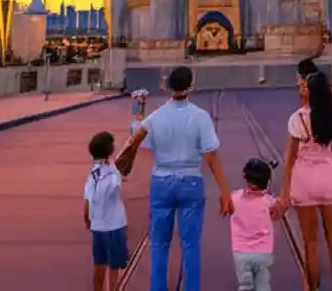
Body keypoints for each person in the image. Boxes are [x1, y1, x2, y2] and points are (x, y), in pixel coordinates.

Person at [115, 66, 233, 291]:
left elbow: (136, 138)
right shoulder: (200, 117)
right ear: (191, 85)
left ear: (168, 86)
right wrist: (224, 191)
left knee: (159, 243)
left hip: (162, 181)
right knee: (190, 245)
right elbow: (211, 155)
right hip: (190, 181)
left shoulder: (156, 117)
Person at [278, 67, 332, 291]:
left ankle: (312, 288)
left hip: (304, 181)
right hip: (328, 178)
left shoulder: (297, 119)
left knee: (311, 243)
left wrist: (284, 192)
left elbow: (290, 158)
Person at [84, 131, 128, 291]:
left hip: (98, 226)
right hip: (115, 226)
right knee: (115, 266)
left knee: (99, 263)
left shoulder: (92, 174)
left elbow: (87, 199)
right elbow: (116, 185)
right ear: (110, 150)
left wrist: (88, 220)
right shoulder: (113, 172)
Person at [231, 158, 281, 291]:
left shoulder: (234, 198)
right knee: (262, 284)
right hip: (263, 252)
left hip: (241, 253)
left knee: (245, 285)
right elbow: (279, 212)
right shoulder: (269, 202)